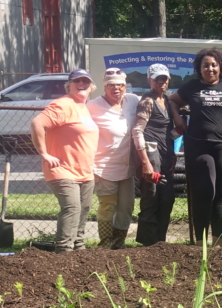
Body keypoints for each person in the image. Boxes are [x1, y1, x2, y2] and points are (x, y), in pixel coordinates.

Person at [176, 48, 222, 244]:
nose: (210, 69)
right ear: (199, 68)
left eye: (214, 65)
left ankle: (218, 245)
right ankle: (200, 244)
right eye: (205, 65)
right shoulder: (191, 87)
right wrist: (178, 119)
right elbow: (172, 101)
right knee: (204, 191)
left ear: (221, 67)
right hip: (198, 146)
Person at [30, 68, 99, 252]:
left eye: (85, 81)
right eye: (77, 81)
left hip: (85, 171)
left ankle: (79, 248)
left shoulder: (83, 107)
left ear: (91, 87)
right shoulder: (63, 105)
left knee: (83, 210)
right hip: (63, 170)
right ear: (69, 86)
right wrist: (44, 153)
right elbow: (37, 123)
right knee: (72, 208)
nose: (81, 84)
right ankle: (64, 252)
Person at [87, 67, 141, 249]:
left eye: (120, 85)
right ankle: (104, 244)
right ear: (104, 86)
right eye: (111, 85)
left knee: (126, 207)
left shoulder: (132, 101)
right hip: (104, 166)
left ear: (126, 86)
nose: (116, 88)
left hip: (127, 166)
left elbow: (152, 104)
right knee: (108, 206)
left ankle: (119, 244)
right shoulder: (93, 106)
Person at [134, 63, 184, 246]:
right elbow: (137, 131)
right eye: (157, 79)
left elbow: (173, 130)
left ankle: (160, 243)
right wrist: (145, 162)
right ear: (150, 80)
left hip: (166, 156)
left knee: (167, 198)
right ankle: (147, 244)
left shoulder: (168, 101)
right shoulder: (147, 101)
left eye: (164, 78)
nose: (161, 82)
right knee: (151, 198)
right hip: (151, 155)